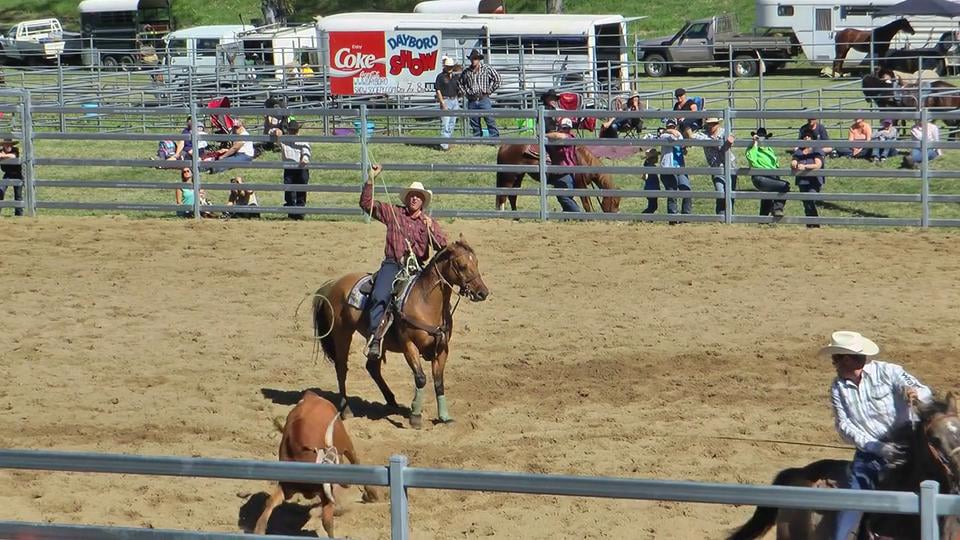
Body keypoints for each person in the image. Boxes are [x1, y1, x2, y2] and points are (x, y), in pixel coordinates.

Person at [821, 330, 933, 540]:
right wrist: (877, 447)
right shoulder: (838, 388)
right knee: (852, 503)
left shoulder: (888, 371)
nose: (834, 363)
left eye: (835, 359)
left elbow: (923, 390)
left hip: (908, 453)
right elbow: (844, 426)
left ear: (845, 359)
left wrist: (913, 392)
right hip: (870, 456)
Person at [359, 165, 448, 361]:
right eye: (411, 195)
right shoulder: (394, 213)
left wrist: (431, 228)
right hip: (393, 264)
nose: (414, 198)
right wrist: (371, 179)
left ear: (423, 200)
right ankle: (375, 337)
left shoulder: (428, 222)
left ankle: (437, 332)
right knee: (380, 294)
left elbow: (443, 246)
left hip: (417, 269)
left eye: (418, 196)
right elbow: (367, 204)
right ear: (407, 199)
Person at [688, 117, 736, 215]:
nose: (711, 126)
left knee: (730, 192)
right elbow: (692, 137)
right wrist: (687, 126)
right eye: (709, 124)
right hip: (716, 167)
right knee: (720, 191)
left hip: (730, 165)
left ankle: (730, 215)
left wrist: (730, 140)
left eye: (714, 124)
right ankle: (721, 216)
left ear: (718, 124)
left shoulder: (724, 132)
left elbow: (731, 138)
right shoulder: (703, 134)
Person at [745, 127, 789, 218]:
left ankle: (762, 219)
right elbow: (752, 161)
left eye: (764, 138)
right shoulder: (752, 149)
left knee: (767, 196)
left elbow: (775, 164)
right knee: (785, 186)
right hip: (760, 177)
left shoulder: (769, 149)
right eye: (759, 137)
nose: (762, 139)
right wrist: (755, 144)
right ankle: (777, 208)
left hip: (772, 176)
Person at [458, 49, 501, 139]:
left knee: (489, 120)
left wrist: (490, 90)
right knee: (474, 121)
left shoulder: (487, 68)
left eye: (476, 58)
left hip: (483, 98)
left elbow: (498, 79)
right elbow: (460, 83)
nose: (474, 60)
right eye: (472, 59)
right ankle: (477, 139)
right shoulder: (466, 72)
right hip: (472, 99)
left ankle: (494, 139)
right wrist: (465, 92)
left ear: (479, 59)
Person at [275, 120, 311, 220]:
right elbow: (272, 134)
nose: (293, 132)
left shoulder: (302, 140)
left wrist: (305, 158)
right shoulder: (284, 139)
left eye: (294, 130)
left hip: (301, 167)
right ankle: (291, 211)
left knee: (301, 188)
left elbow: (306, 150)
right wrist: (276, 131)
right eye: (291, 130)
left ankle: (299, 212)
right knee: (289, 188)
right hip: (289, 167)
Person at [544, 117, 581, 213]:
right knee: (565, 197)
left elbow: (558, 136)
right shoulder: (558, 139)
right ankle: (568, 217)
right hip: (560, 172)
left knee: (564, 197)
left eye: (566, 128)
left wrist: (543, 135)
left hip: (565, 172)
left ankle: (579, 216)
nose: (563, 130)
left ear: (569, 129)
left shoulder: (569, 138)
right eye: (562, 127)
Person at [791, 127, 826, 227]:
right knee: (806, 203)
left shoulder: (817, 150)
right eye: (805, 136)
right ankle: (810, 225)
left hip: (814, 181)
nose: (806, 138)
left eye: (809, 136)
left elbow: (818, 165)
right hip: (802, 181)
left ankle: (815, 224)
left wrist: (805, 167)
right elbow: (794, 160)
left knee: (810, 199)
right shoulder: (799, 151)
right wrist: (793, 163)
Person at [658, 119, 690, 218]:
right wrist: (669, 131)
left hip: (680, 167)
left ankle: (686, 215)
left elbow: (683, 144)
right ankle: (673, 217)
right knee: (672, 193)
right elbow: (674, 137)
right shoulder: (664, 136)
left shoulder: (677, 136)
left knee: (687, 190)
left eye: (672, 126)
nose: (671, 128)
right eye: (669, 127)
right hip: (668, 167)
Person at [435, 56, 461, 151]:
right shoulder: (440, 76)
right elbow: (438, 90)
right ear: (445, 66)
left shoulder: (455, 77)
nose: (450, 68)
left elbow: (458, 88)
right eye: (448, 66)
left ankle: (447, 142)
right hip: (446, 100)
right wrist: (442, 102)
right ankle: (444, 145)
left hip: (454, 100)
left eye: (451, 66)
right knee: (445, 123)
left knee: (452, 123)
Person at [0, 138, 23, 216]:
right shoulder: (1, 151)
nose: (9, 146)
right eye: (6, 144)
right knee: (0, 191)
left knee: (18, 195)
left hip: (17, 174)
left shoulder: (15, 150)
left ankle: (19, 214)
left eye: (10, 144)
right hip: (7, 174)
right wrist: (5, 156)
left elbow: (13, 156)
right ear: (3, 145)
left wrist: (3, 156)